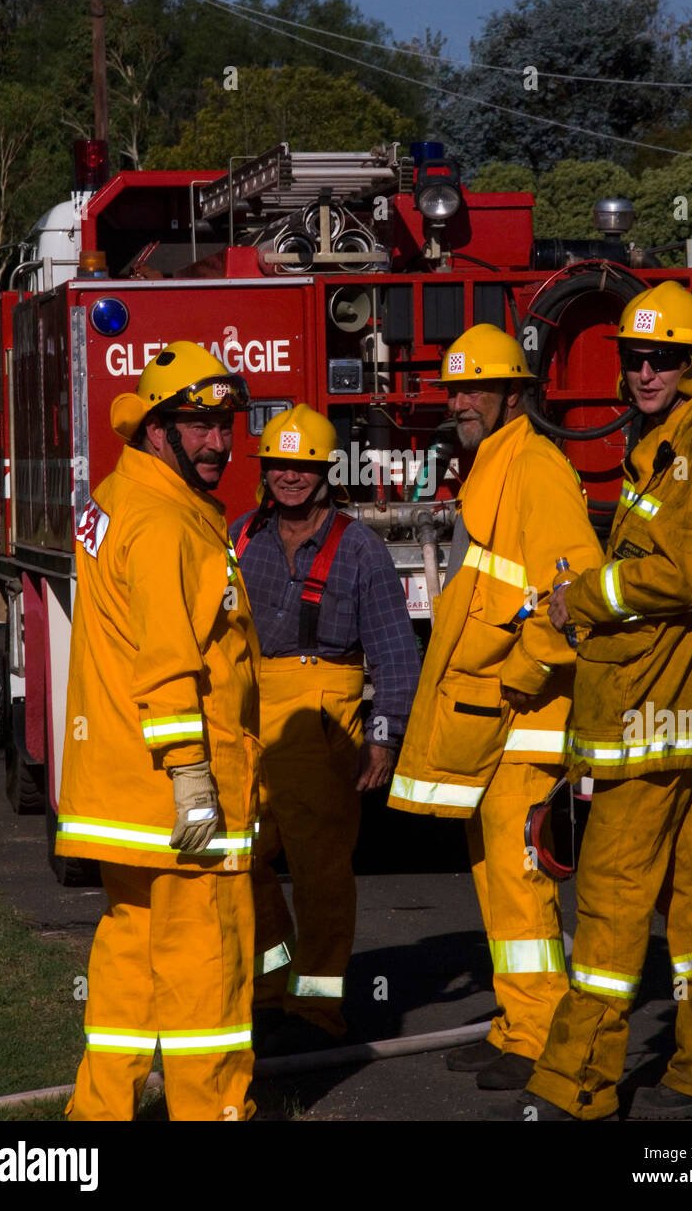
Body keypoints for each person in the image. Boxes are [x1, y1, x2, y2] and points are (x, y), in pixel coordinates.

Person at [526, 281, 692, 1121]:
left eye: (663, 358)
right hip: (671, 717)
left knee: (610, 912)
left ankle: (571, 1089)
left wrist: (585, 597)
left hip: (650, 717)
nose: (645, 372)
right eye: (634, 358)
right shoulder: (667, 440)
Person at [388, 324, 604, 1090]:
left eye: (477, 388)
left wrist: (519, 676)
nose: (461, 401)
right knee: (496, 879)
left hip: (529, 719)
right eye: (454, 389)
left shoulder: (535, 470)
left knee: (521, 883)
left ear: (517, 393)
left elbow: (574, 599)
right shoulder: (493, 467)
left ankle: (543, 1032)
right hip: (497, 724)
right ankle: (519, 1019)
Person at [56, 341, 262, 1122]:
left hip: (123, 798)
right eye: (198, 427)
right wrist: (192, 776)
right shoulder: (165, 525)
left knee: (130, 962)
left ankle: (98, 1113)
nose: (219, 444)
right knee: (207, 970)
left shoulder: (116, 501)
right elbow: (170, 662)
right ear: (154, 431)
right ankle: (210, 1114)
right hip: (181, 805)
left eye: (226, 424)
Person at [231, 404, 420, 1052]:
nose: (289, 477)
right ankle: (269, 986)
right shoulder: (238, 540)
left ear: (324, 472)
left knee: (321, 876)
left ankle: (315, 1012)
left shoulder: (360, 550)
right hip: (248, 722)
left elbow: (396, 652)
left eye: (302, 466)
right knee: (239, 863)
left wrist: (384, 737)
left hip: (323, 728)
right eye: (279, 465)